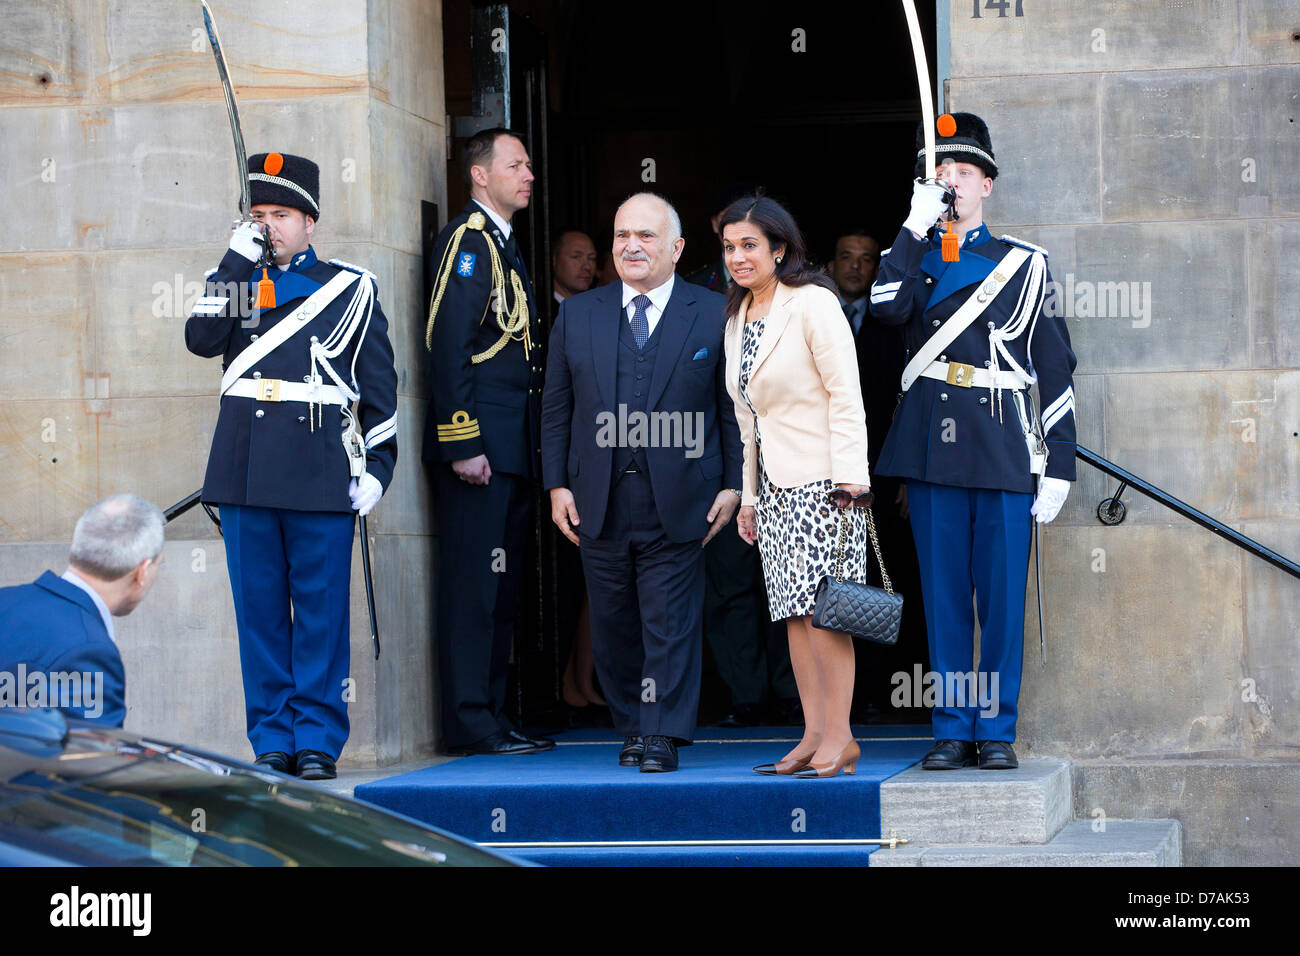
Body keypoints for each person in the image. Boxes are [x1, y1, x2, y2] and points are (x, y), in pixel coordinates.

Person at [870, 112, 1077, 770]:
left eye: (963, 173)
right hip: (933, 444)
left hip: (1002, 444)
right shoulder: (912, 256)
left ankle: (997, 729)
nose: (952, 182)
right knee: (946, 598)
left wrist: (1062, 464)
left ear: (987, 185)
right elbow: (885, 310)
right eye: (941, 174)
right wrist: (910, 226)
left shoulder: (1025, 264)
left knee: (1002, 597)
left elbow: (1055, 366)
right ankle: (953, 727)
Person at [186, 151, 398, 780]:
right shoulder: (237, 283)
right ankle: (271, 738)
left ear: (309, 221)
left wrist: (377, 469)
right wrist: (233, 262)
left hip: (318, 465)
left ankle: (318, 741)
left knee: (321, 612)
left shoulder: (350, 287)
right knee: (259, 615)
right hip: (245, 468)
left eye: (280, 214)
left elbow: (379, 387)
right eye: (258, 214)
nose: (269, 225)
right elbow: (200, 342)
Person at [541, 192, 743, 773]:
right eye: (623, 234)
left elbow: (731, 408)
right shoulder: (578, 314)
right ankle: (632, 724)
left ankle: (662, 732)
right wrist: (556, 484)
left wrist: (733, 483)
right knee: (612, 623)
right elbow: (557, 409)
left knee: (669, 619)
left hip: (683, 496)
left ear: (677, 248)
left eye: (647, 236)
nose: (632, 245)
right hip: (596, 496)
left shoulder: (713, 311)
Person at [722, 195, 872, 779]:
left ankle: (842, 736)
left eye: (750, 246)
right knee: (793, 615)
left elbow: (846, 395)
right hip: (778, 492)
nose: (738, 257)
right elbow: (746, 422)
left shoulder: (813, 304)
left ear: (779, 249)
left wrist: (852, 484)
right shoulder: (737, 318)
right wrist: (751, 498)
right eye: (730, 247)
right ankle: (812, 735)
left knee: (830, 613)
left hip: (828, 485)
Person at [422, 128, 553, 757]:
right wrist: (462, 438)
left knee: (501, 590)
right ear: (480, 175)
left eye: (528, 164)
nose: (528, 173)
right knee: (476, 587)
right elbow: (449, 343)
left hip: (510, 447)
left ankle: (494, 715)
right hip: (479, 449)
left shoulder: (502, 244)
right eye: (516, 164)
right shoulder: (468, 242)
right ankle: (470, 721)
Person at [0, 494, 164, 727]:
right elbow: (93, 760)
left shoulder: (5, 602)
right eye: (159, 564)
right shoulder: (90, 651)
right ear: (142, 571)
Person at [829, 229, 880, 338]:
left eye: (866, 259)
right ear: (831, 266)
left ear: (877, 271)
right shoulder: (812, 313)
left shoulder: (888, 319)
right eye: (846, 257)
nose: (855, 266)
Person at [551, 228, 598, 304]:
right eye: (576, 257)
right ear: (554, 260)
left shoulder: (597, 308)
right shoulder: (536, 310)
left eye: (591, 258)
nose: (587, 267)